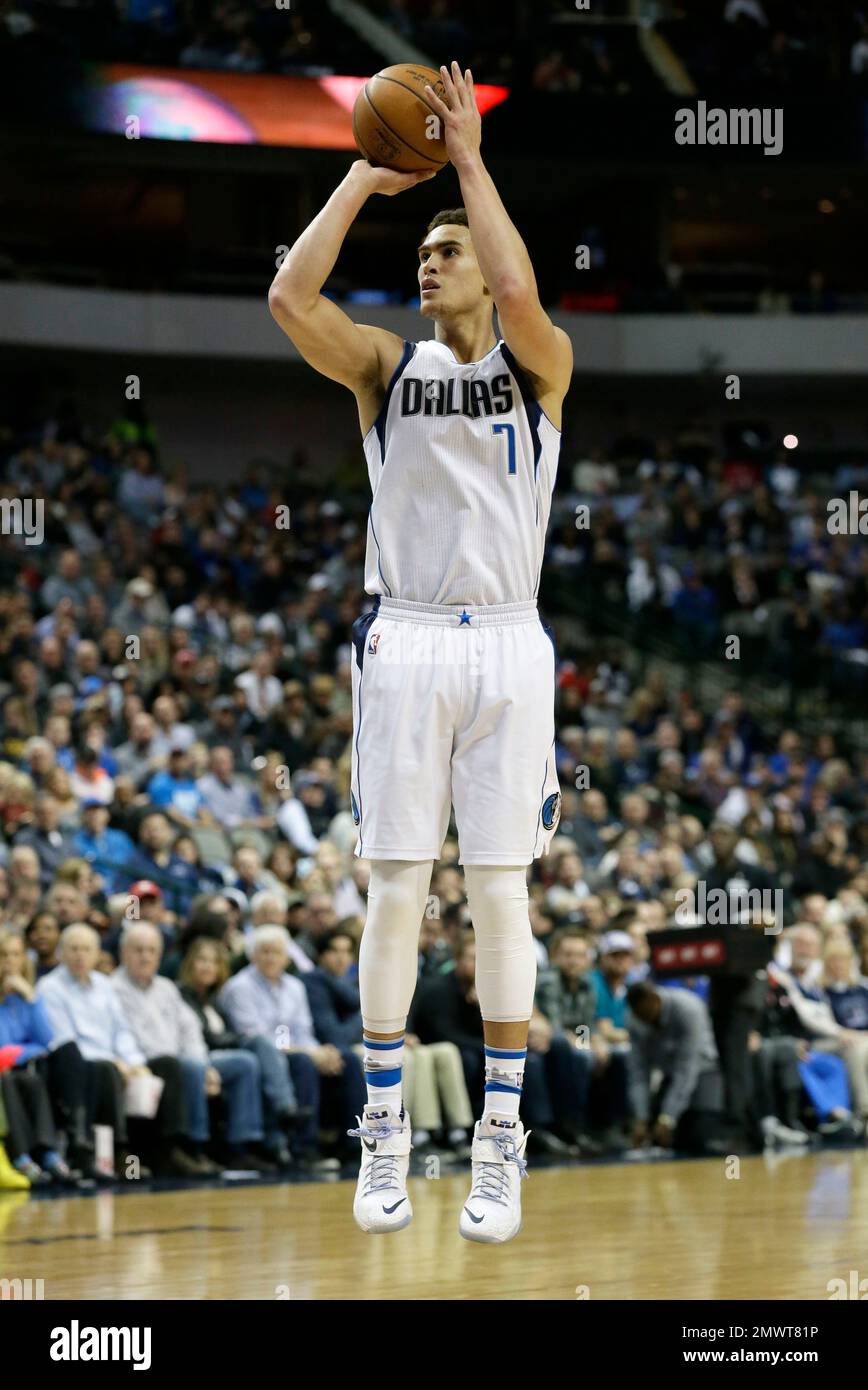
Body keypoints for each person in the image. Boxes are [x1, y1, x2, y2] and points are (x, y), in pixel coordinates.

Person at [268, 59, 572, 1243]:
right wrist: (364, 176)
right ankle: (384, 1126)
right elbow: (293, 300)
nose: (428, 263)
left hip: (506, 641)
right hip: (401, 635)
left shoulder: (535, 362)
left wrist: (465, 165)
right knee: (396, 885)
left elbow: (510, 275)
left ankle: (501, 1136)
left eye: (442, 253)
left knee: (500, 894)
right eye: (424, 254)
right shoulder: (388, 370)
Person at [37, 923, 201, 1180]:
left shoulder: (104, 985)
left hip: (113, 1061)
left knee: (166, 1065)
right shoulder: (50, 987)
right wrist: (117, 1061)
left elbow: (121, 1031)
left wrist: (135, 1062)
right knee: (107, 1070)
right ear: (61, 953)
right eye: (74, 949)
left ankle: (170, 1149)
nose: (80, 955)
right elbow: (63, 1040)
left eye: (87, 949)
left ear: (97, 954)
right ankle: (121, 1153)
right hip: (77, 1065)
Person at [219, 925, 362, 1171]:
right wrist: (309, 1052)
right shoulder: (239, 987)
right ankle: (304, 1148)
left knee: (346, 1058)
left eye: (277, 952)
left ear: (287, 957)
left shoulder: (295, 986)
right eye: (264, 951)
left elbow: (303, 1031)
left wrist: (322, 1052)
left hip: (296, 1050)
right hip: (262, 1056)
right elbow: (257, 1038)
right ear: (253, 955)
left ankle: (356, 1146)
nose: (271, 958)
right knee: (304, 1063)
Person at [178, 936, 308, 1168]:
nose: (208, 967)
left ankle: (270, 1139)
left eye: (214, 962)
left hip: (215, 1052)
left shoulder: (212, 999)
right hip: (195, 1056)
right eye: (202, 960)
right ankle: (283, 1109)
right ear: (190, 964)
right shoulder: (182, 994)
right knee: (252, 1052)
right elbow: (203, 1037)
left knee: (262, 1058)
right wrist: (239, 1040)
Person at [0, 929, 77, 1183]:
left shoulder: (28, 997)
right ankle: (20, 1156)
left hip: (22, 1068)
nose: (9, 961)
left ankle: (48, 1153)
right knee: (8, 1081)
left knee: (32, 1080)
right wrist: (14, 1052)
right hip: (3, 1073)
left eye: (15, 955)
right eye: (3, 955)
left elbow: (46, 1042)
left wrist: (31, 998)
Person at [626, 981, 726, 1154]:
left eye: (645, 1013)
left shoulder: (689, 1009)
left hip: (704, 1071)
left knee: (698, 1139)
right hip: (669, 1074)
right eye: (638, 1015)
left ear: (655, 1000)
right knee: (656, 1139)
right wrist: (641, 1118)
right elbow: (638, 1073)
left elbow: (686, 1069)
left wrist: (668, 1117)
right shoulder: (634, 1019)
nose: (643, 1020)